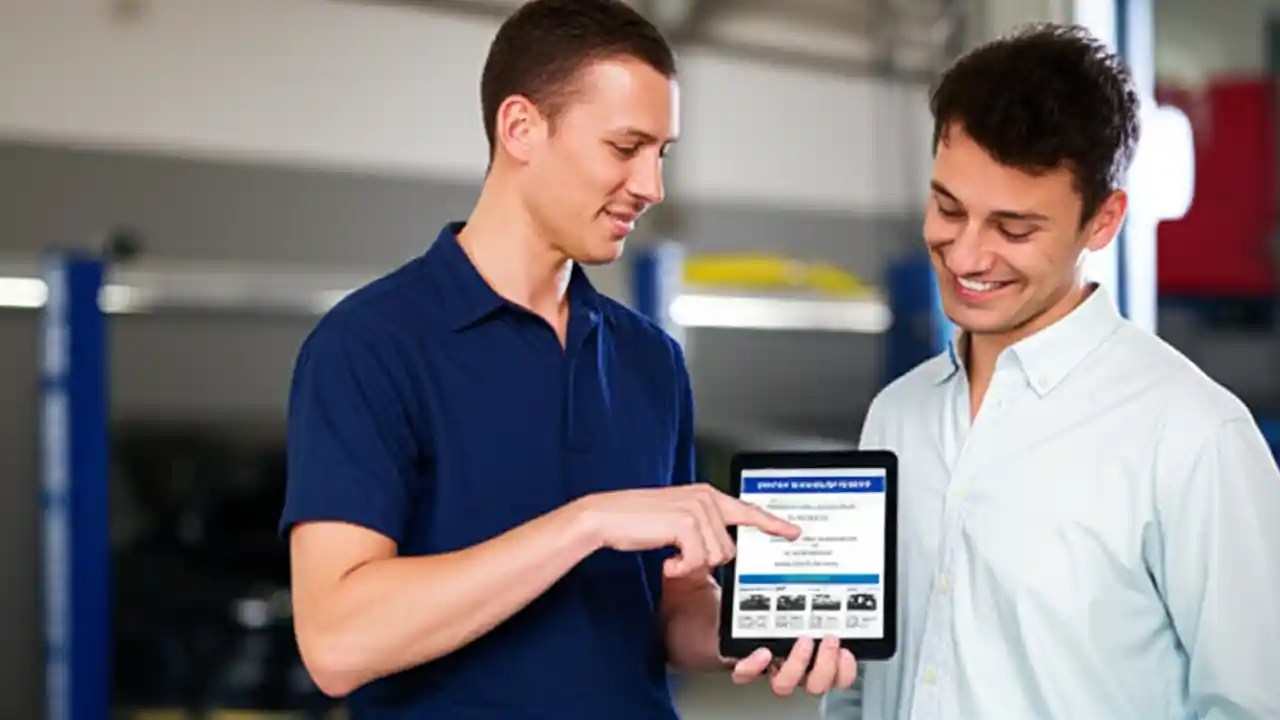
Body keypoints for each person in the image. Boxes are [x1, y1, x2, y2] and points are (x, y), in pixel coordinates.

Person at [279, 1, 856, 717]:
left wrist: (757, 631)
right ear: (521, 128)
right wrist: (585, 525)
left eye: (661, 153)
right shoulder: (367, 346)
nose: (652, 186)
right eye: (625, 147)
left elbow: (671, 605)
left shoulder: (650, 361)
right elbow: (338, 643)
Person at [823, 23, 1280, 720]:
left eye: (1013, 229)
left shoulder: (1193, 437)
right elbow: (860, 682)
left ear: (1103, 221)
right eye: (948, 208)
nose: (966, 255)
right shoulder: (897, 414)